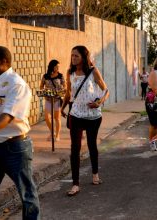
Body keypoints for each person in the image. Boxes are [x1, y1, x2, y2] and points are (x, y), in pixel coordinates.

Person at [0, 46, 40, 219]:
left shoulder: (17, 84)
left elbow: (8, 116)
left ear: (3, 62)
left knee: (27, 195)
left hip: (15, 148)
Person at [61, 45, 109, 196]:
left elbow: (106, 90)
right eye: (72, 55)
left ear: (83, 57)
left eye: (76, 56)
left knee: (91, 144)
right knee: (74, 148)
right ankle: (75, 184)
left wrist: (99, 102)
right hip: (76, 115)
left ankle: (95, 174)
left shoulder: (93, 71)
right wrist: (62, 108)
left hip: (93, 116)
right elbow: (69, 93)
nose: (73, 58)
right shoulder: (70, 72)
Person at [40, 59, 66, 141]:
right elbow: (41, 86)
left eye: (58, 66)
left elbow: (65, 86)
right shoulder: (45, 76)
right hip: (48, 99)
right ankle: (52, 132)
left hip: (57, 99)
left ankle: (57, 135)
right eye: (56, 66)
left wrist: (61, 91)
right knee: (47, 117)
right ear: (52, 67)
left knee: (57, 118)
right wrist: (44, 91)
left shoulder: (60, 76)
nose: (58, 68)